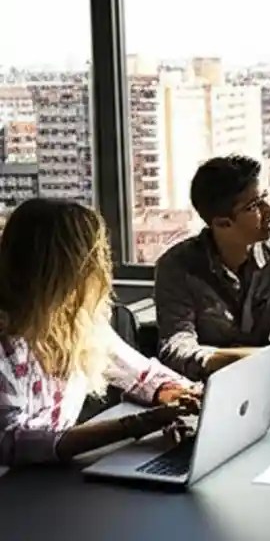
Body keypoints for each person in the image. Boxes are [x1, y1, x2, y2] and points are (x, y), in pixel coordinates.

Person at [1, 199, 201, 466]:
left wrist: (178, 394)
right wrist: (135, 425)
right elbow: (12, 442)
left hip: (48, 480)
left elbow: (143, 376)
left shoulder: (79, 323)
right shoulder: (8, 341)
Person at [154, 155, 270, 381]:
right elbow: (176, 349)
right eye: (254, 206)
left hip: (267, 379)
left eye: (266, 197)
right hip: (212, 387)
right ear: (222, 223)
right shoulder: (177, 267)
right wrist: (245, 358)